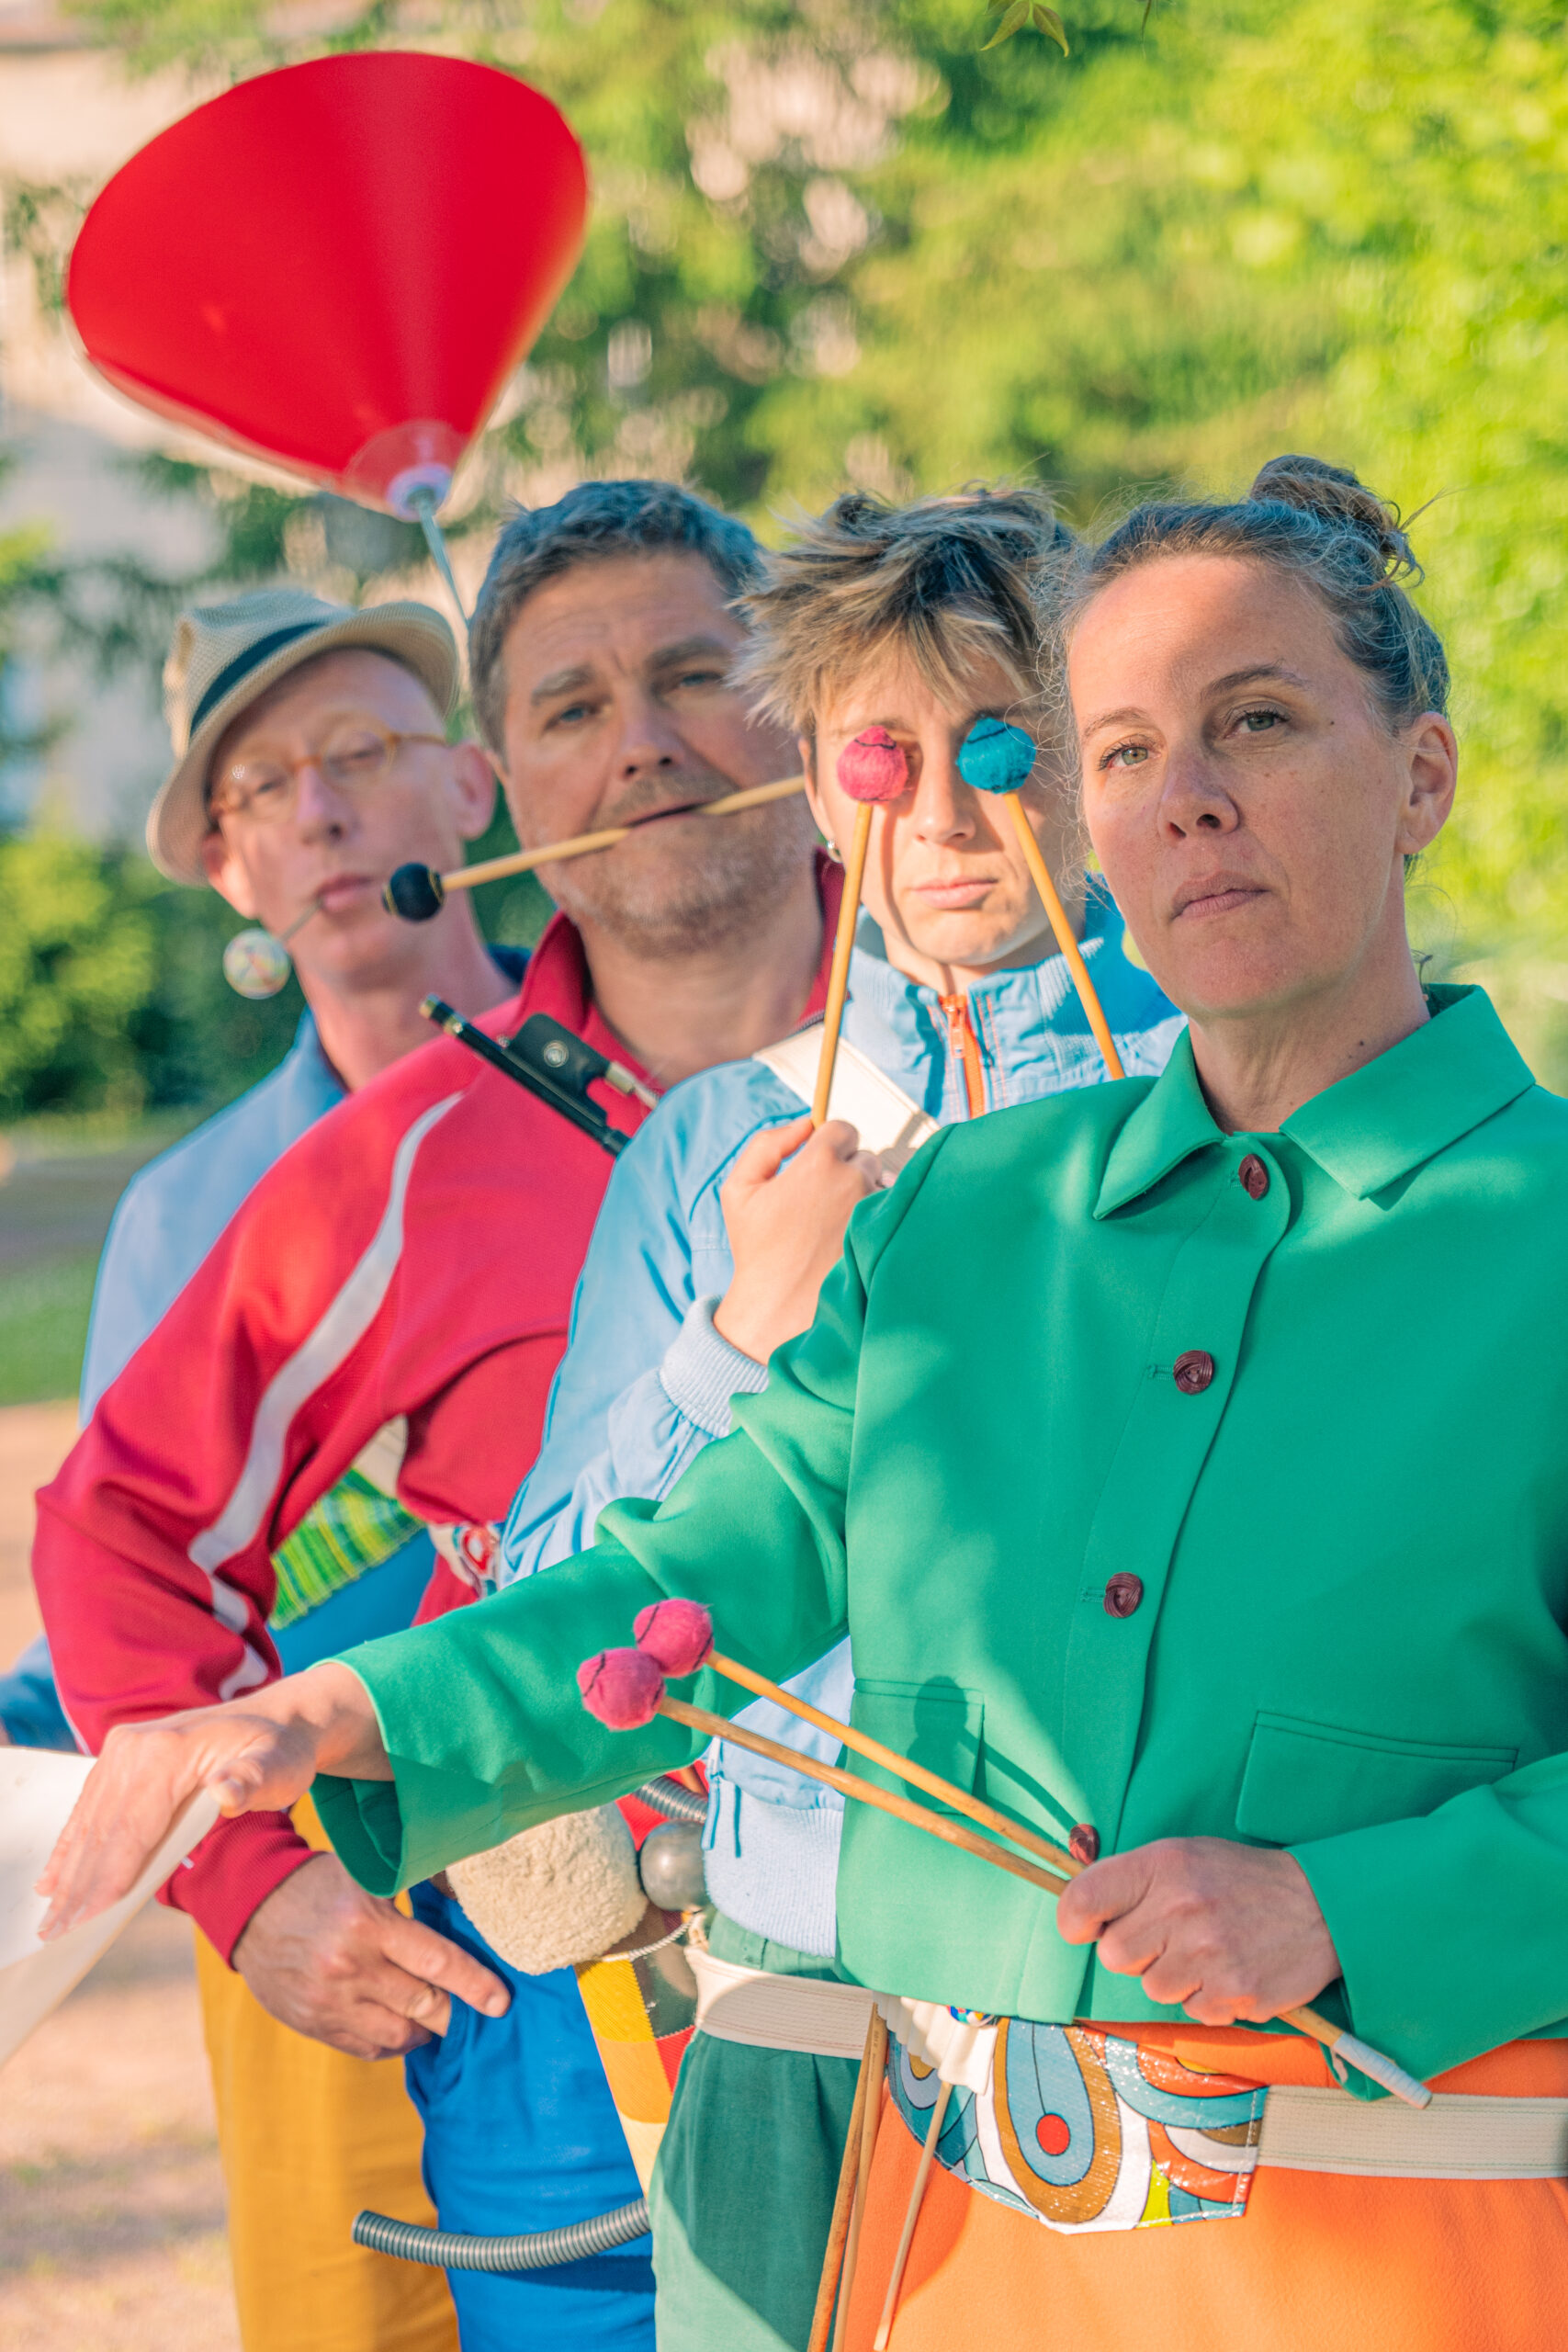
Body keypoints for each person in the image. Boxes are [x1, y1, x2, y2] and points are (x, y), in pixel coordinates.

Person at [51, 454, 1568, 2352]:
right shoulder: (952, 1213)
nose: (1181, 797)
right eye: (1116, 748)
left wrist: (1345, 1898)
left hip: (1412, 2245)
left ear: (1417, 772)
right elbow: (695, 1575)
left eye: (1252, 722)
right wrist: (328, 1712)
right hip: (947, 2244)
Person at [31, 481, 837, 2352]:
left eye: (694, 674)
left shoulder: (1009, 1048)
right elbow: (119, 1528)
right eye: (569, 707)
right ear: (507, 786)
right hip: (581, 2060)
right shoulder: (409, 1160)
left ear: (796, 708)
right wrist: (258, 1889)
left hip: (1008, 2026)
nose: (640, 743)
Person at [497, 486, 1181, 2349]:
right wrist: (739, 1326)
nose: (946, 820)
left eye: (1003, 746)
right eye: (885, 754)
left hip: (1149, 2006)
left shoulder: (1230, 1100)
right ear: (810, 779)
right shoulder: (716, 1149)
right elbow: (552, 1608)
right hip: (789, 2010)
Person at [5, 582, 513, 2352]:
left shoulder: (650, 1094)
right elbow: (130, 1603)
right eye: (262, 788)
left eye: (362, 753)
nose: (318, 809)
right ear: (227, 867)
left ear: (471, 782)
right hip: (321, 1905)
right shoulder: (183, 1219)